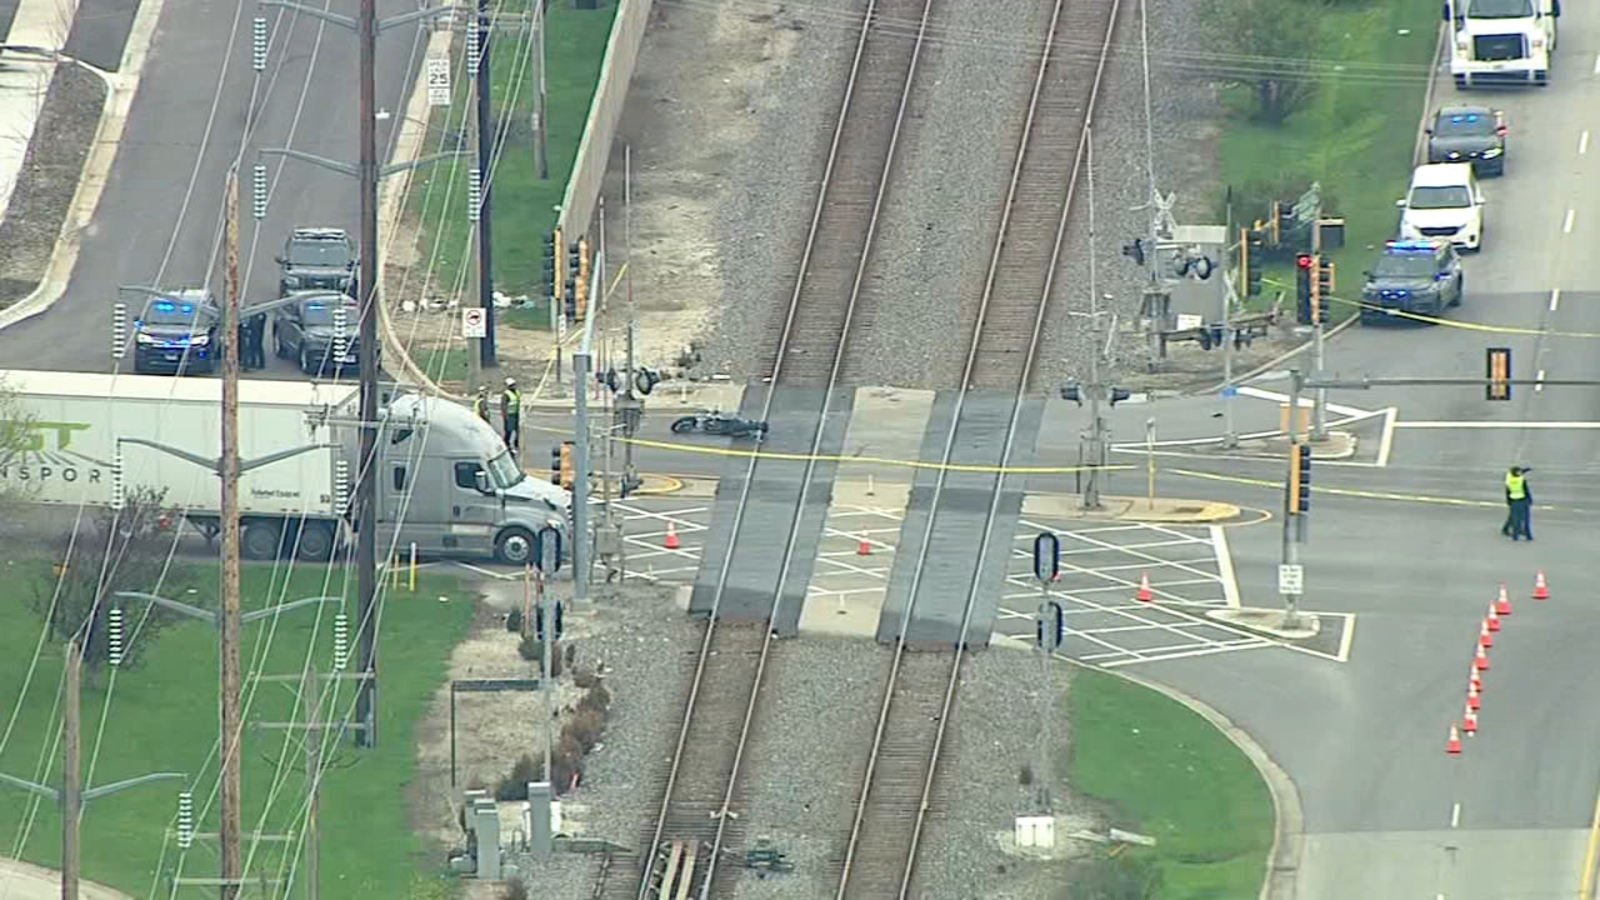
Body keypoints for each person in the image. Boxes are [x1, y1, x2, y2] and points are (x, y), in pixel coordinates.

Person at [1504, 465, 1533, 541]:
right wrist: (1530, 499)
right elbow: (1526, 490)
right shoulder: (1521, 480)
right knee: (1522, 518)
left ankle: (1512, 532)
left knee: (1513, 516)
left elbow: (1507, 491)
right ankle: (1524, 533)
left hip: (1513, 500)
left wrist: (1508, 501)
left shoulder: (1509, 478)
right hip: (1522, 500)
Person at [500, 377, 522, 454]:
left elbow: (519, 402)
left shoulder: (517, 392)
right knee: (509, 430)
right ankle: (506, 443)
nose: (513, 386)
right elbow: (503, 406)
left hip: (516, 413)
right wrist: (505, 416)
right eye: (511, 385)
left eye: (514, 384)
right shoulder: (506, 394)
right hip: (509, 415)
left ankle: (516, 443)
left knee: (517, 430)